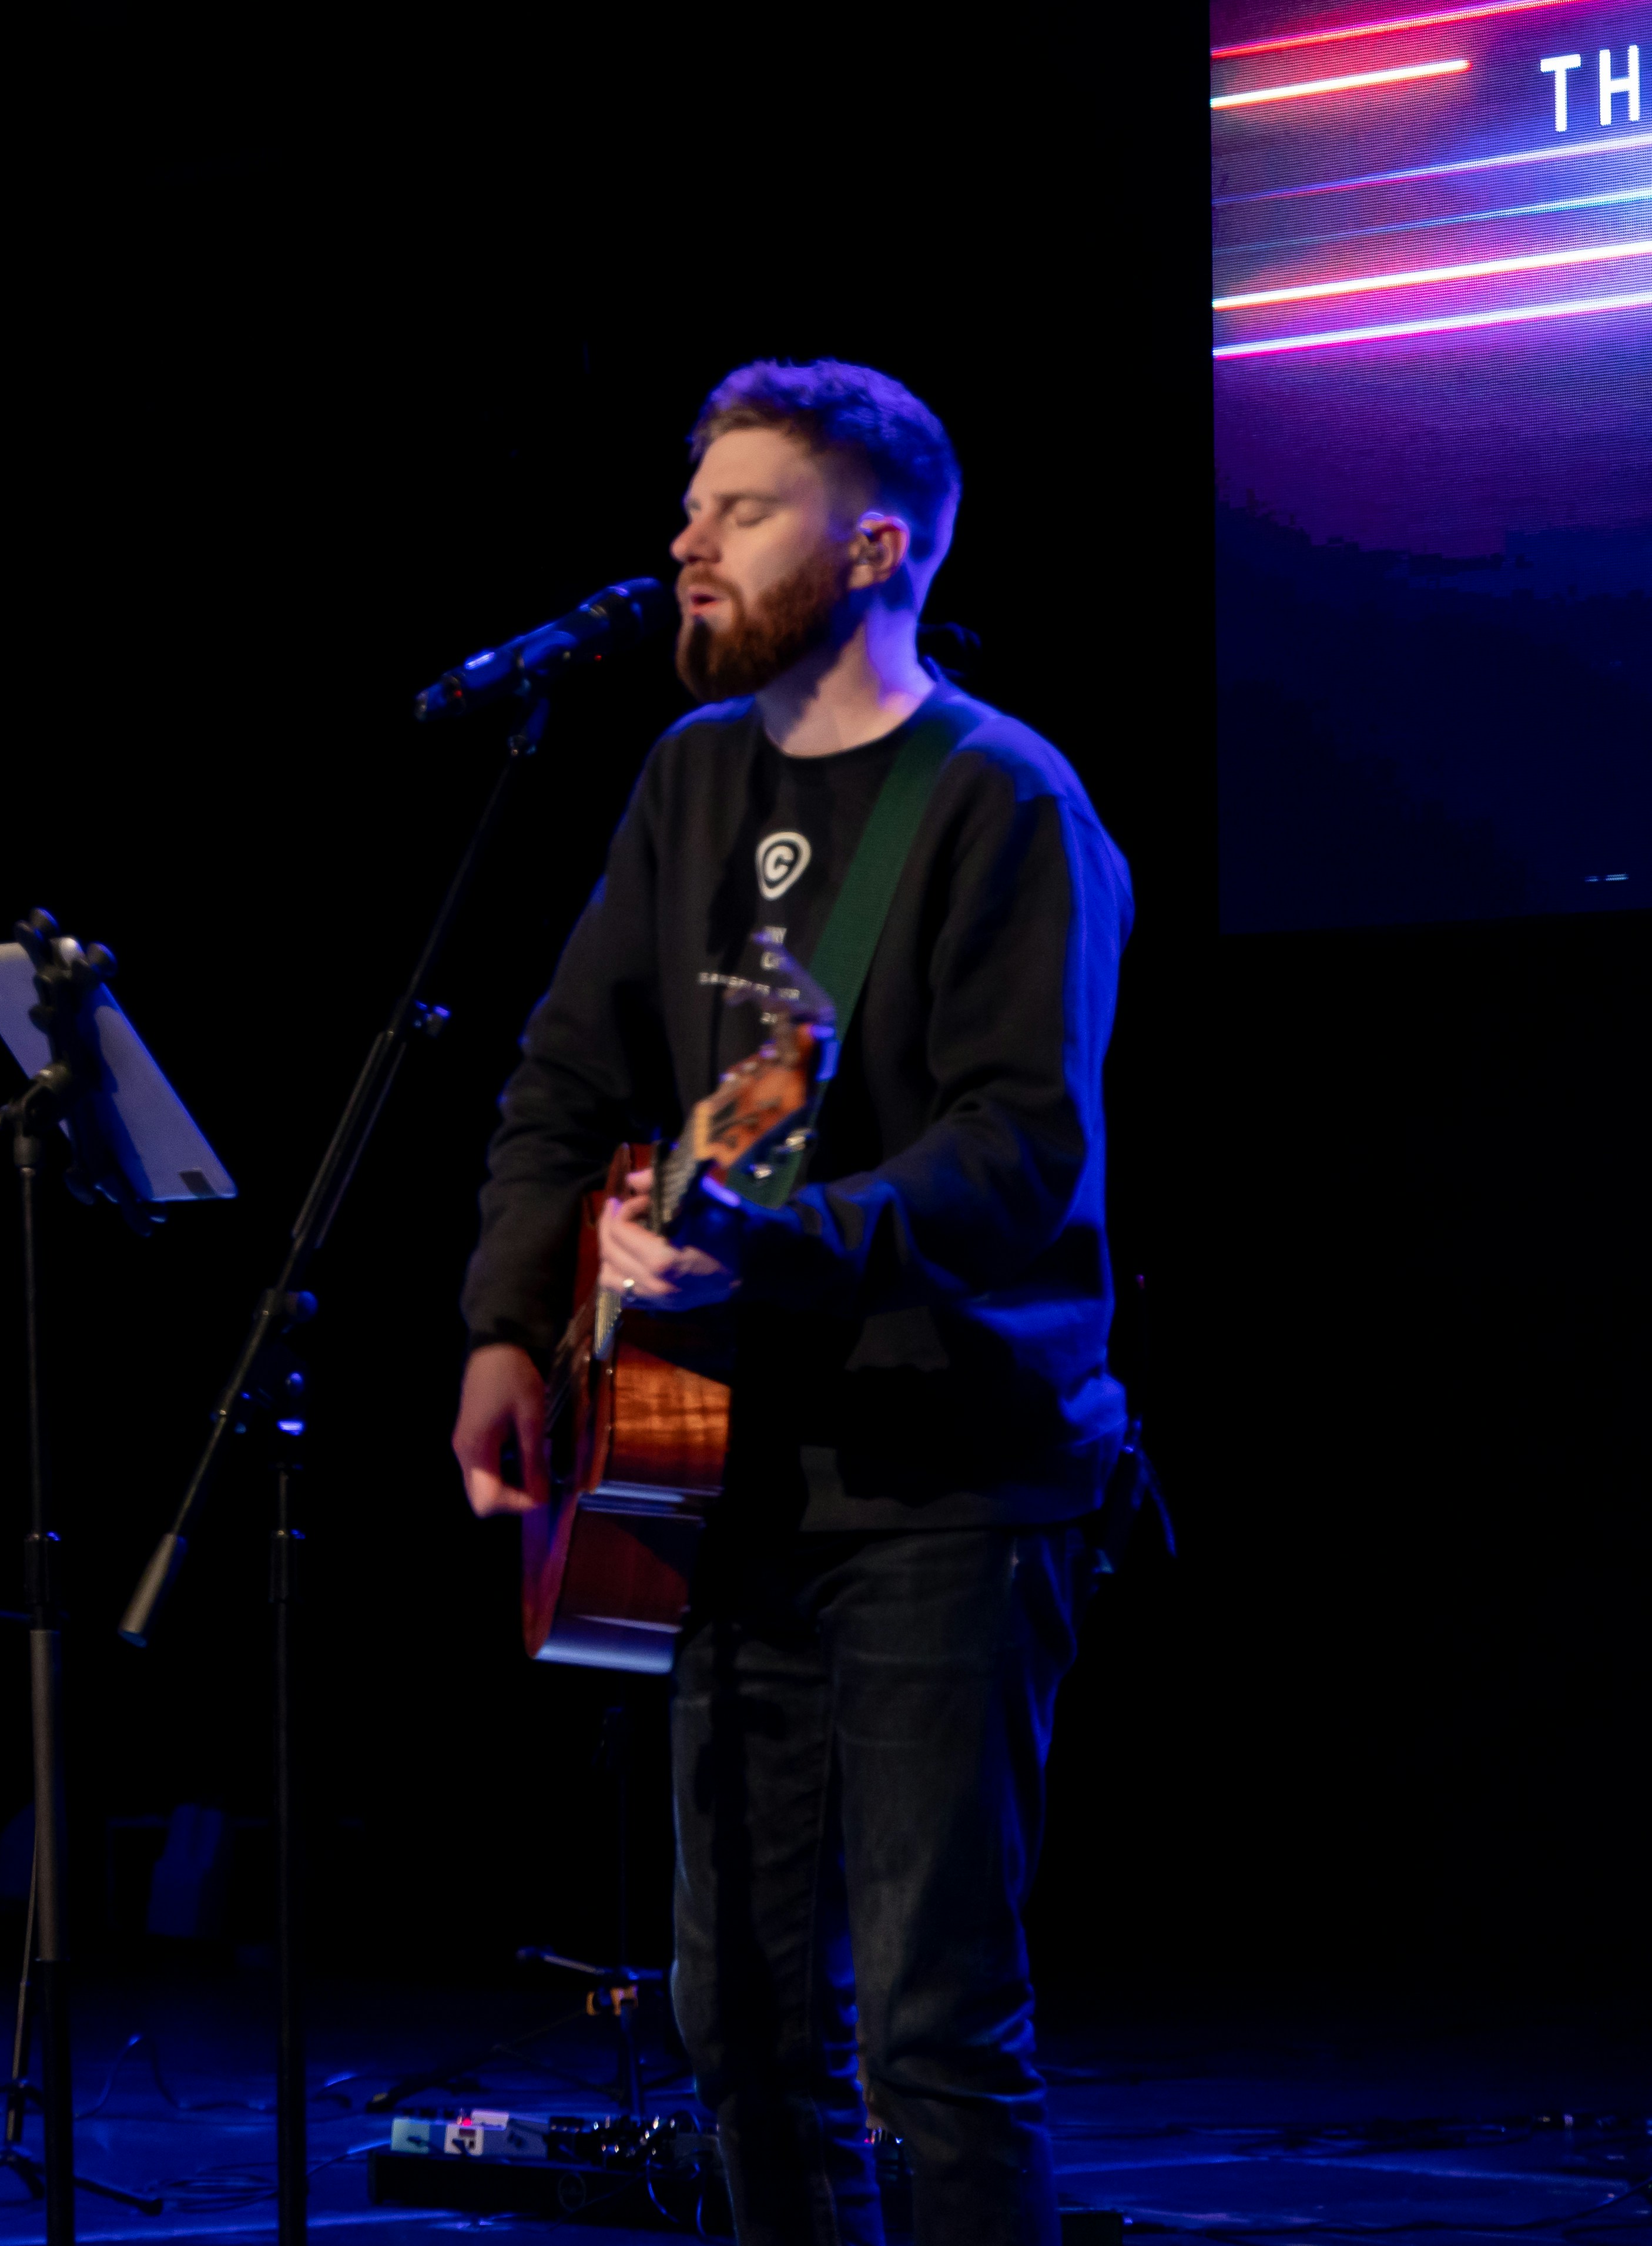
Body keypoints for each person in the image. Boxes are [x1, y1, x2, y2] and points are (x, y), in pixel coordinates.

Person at [449, 362, 1132, 2246]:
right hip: (707, 1465)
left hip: (946, 1475)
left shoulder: (997, 798)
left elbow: (1017, 1156)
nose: (686, 537)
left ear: (872, 544)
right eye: (692, 506)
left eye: (739, 508)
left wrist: (784, 1241)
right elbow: (565, 1073)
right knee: (734, 2014)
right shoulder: (688, 780)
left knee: (929, 2025)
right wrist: (508, 1328)